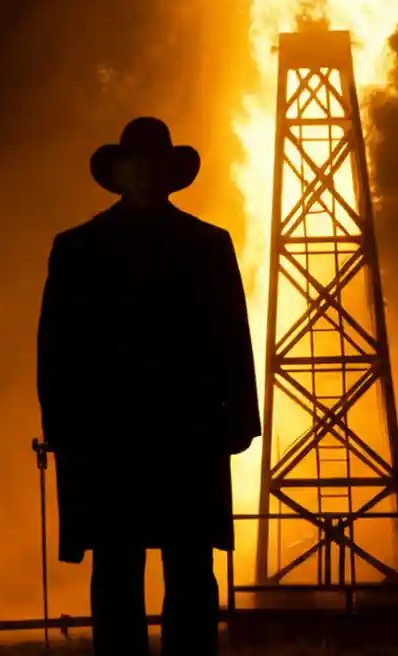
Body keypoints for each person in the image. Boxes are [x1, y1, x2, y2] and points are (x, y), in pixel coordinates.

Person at [36, 116, 261, 656]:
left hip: (159, 436)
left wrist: (239, 419)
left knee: (178, 568)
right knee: (126, 567)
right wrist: (65, 425)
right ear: (120, 173)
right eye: (137, 164)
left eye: (151, 165)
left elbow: (232, 333)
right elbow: (56, 350)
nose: (144, 175)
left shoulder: (87, 248)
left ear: (164, 173)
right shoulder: (87, 249)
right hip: (135, 436)